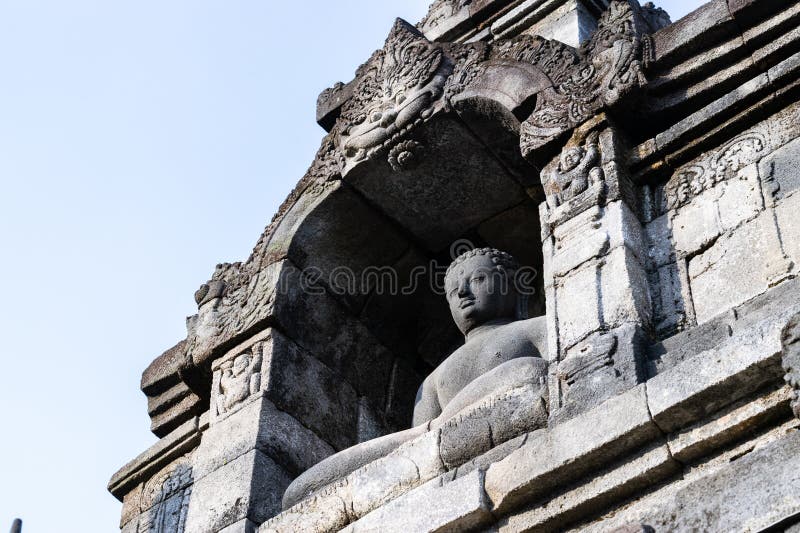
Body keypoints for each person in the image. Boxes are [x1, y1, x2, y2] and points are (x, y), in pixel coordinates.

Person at [281, 248, 548, 509]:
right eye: (454, 292)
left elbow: (543, 376)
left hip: (502, 414)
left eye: (478, 279)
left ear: (511, 285)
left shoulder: (535, 328)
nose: (464, 293)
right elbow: (417, 445)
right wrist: (438, 432)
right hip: (433, 438)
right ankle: (448, 428)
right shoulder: (434, 379)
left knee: (526, 370)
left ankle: (448, 427)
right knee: (300, 492)